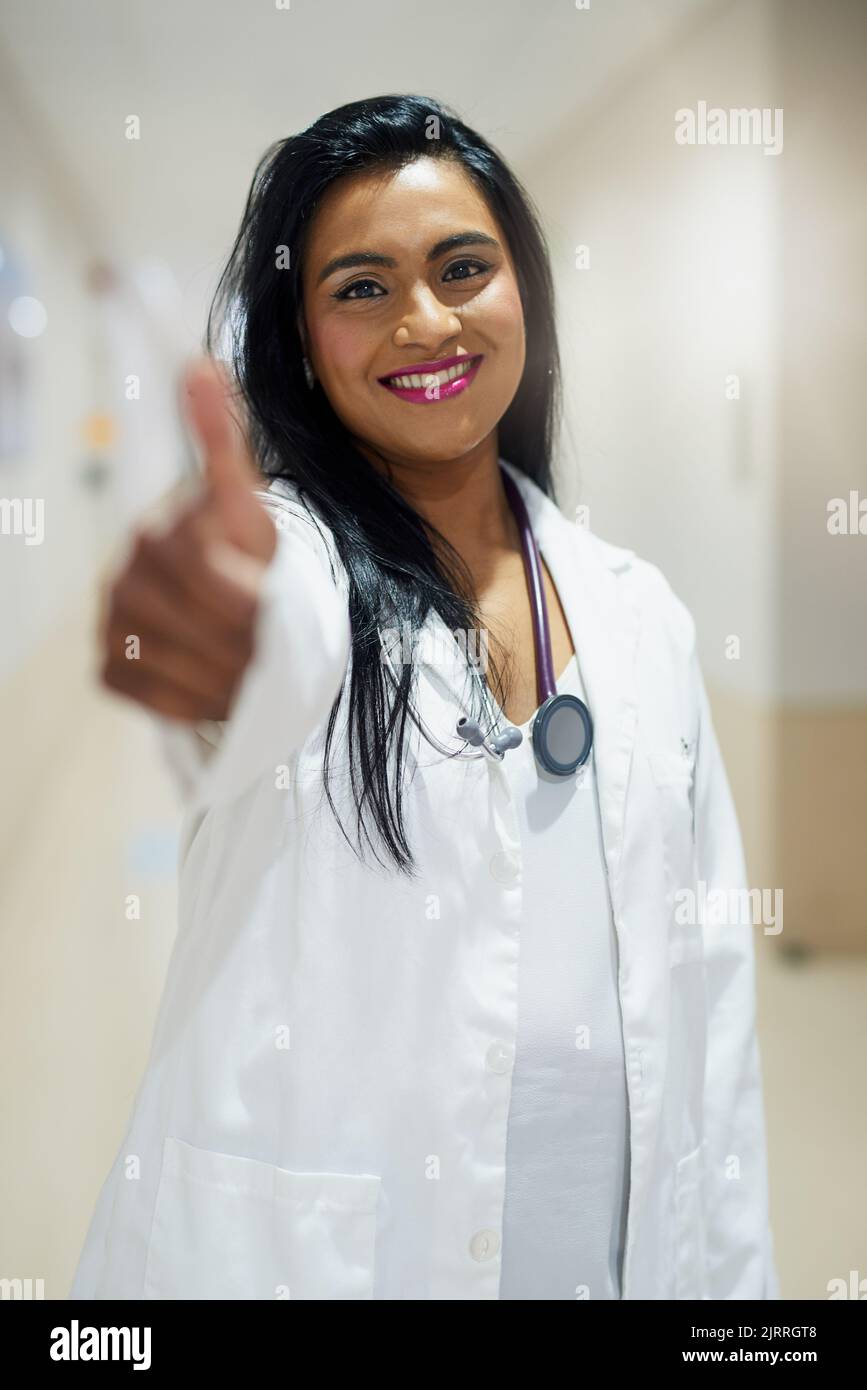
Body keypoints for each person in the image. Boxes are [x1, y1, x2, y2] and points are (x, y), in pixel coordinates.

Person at [72, 94, 779, 1301]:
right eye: (360, 286)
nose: (426, 319)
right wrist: (200, 619)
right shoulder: (296, 566)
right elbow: (258, 646)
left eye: (464, 267)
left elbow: (712, 1024)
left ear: (525, 294)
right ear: (299, 340)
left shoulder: (640, 614)